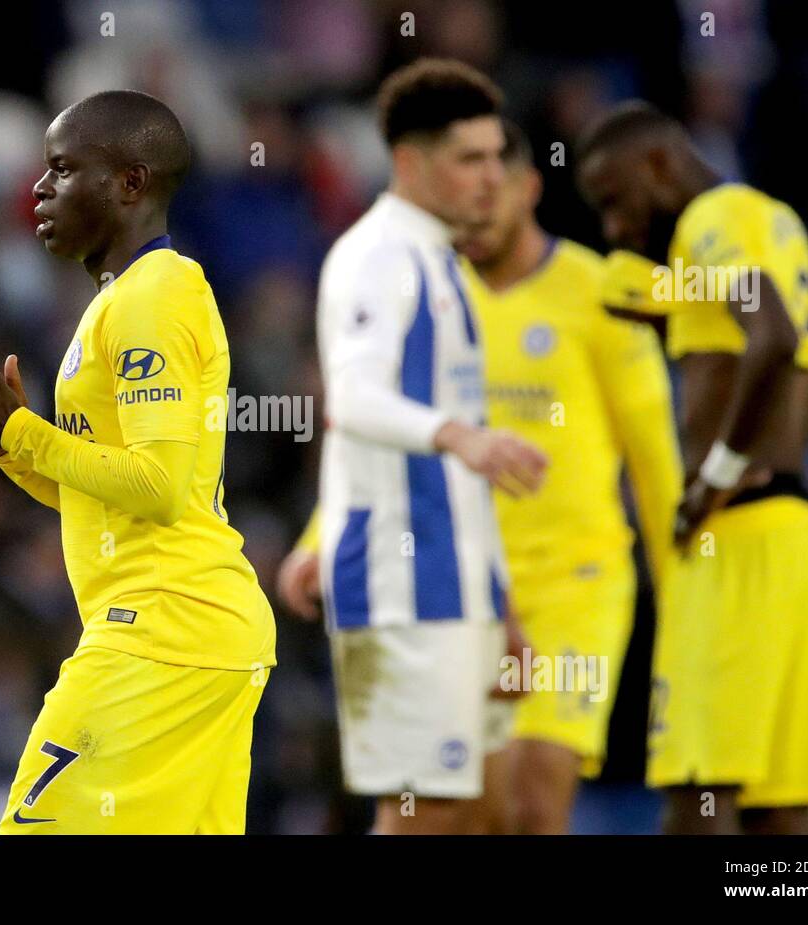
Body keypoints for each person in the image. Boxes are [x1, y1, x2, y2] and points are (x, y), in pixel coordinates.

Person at [0, 90, 276, 834]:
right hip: (197, 633)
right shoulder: (130, 298)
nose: (39, 189)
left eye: (63, 170)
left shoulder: (150, 299)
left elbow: (158, 488)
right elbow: (113, 496)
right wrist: (3, 442)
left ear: (130, 183)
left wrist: (25, 430)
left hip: (161, 633)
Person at [279, 123, 681, 834]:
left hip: (573, 588)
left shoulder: (602, 295)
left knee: (532, 800)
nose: (474, 221)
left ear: (528, 189)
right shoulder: (428, 291)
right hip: (451, 579)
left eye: (490, 202)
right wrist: (321, 532)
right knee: (447, 807)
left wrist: (685, 604)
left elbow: (656, 466)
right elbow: (376, 422)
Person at [576, 101, 808, 834]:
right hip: (800, 537)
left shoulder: (713, 215)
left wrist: (713, 478)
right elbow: (738, 327)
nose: (616, 227)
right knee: (779, 815)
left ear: (659, 165)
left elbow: (772, 338)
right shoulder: (766, 221)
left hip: (738, 535)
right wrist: (645, 297)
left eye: (616, 202)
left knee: (696, 800)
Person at [306, 59, 546, 836]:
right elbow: (353, 396)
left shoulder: (442, 262)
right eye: (469, 159)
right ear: (410, 163)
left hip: (458, 587)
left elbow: (459, 470)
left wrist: (500, 602)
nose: (491, 178)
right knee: (424, 812)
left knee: (493, 809)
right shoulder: (377, 255)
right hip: (400, 587)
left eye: (497, 157)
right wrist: (459, 435)